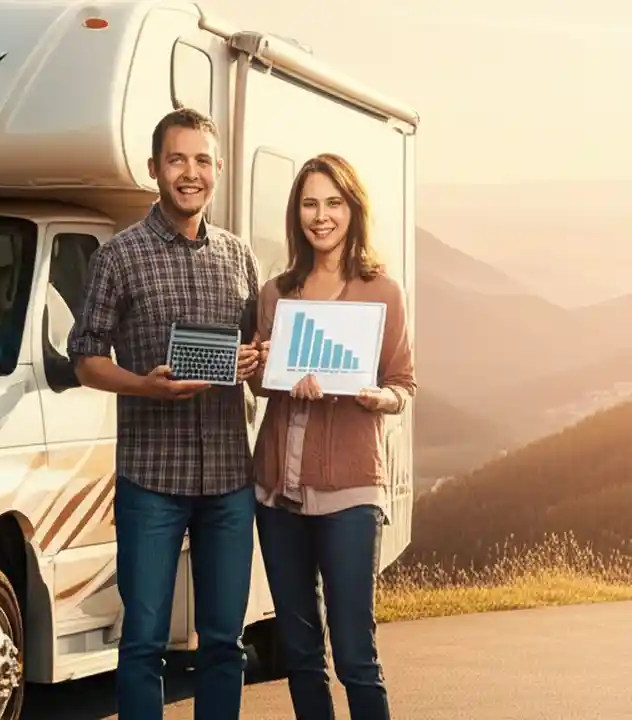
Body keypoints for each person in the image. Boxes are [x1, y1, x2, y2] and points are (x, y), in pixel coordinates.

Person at [67, 107, 262, 720]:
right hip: (151, 481)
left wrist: (255, 360)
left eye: (202, 161)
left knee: (225, 642)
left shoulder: (239, 256)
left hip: (230, 479)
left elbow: (253, 345)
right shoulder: (119, 256)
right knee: (144, 642)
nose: (190, 173)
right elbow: (84, 357)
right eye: (177, 160)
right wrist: (145, 387)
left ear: (218, 170)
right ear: (154, 168)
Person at [247, 153, 417, 720]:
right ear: (297, 214)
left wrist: (375, 397)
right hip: (277, 495)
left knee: (354, 654)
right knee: (299, 654)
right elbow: (262, 387)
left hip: (350, 494)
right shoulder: (276, 294)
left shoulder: (382, 293)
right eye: (310, 204)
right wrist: (261, 369)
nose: (321, 216)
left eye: (333, 203)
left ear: (353, 210)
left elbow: (403, 386)